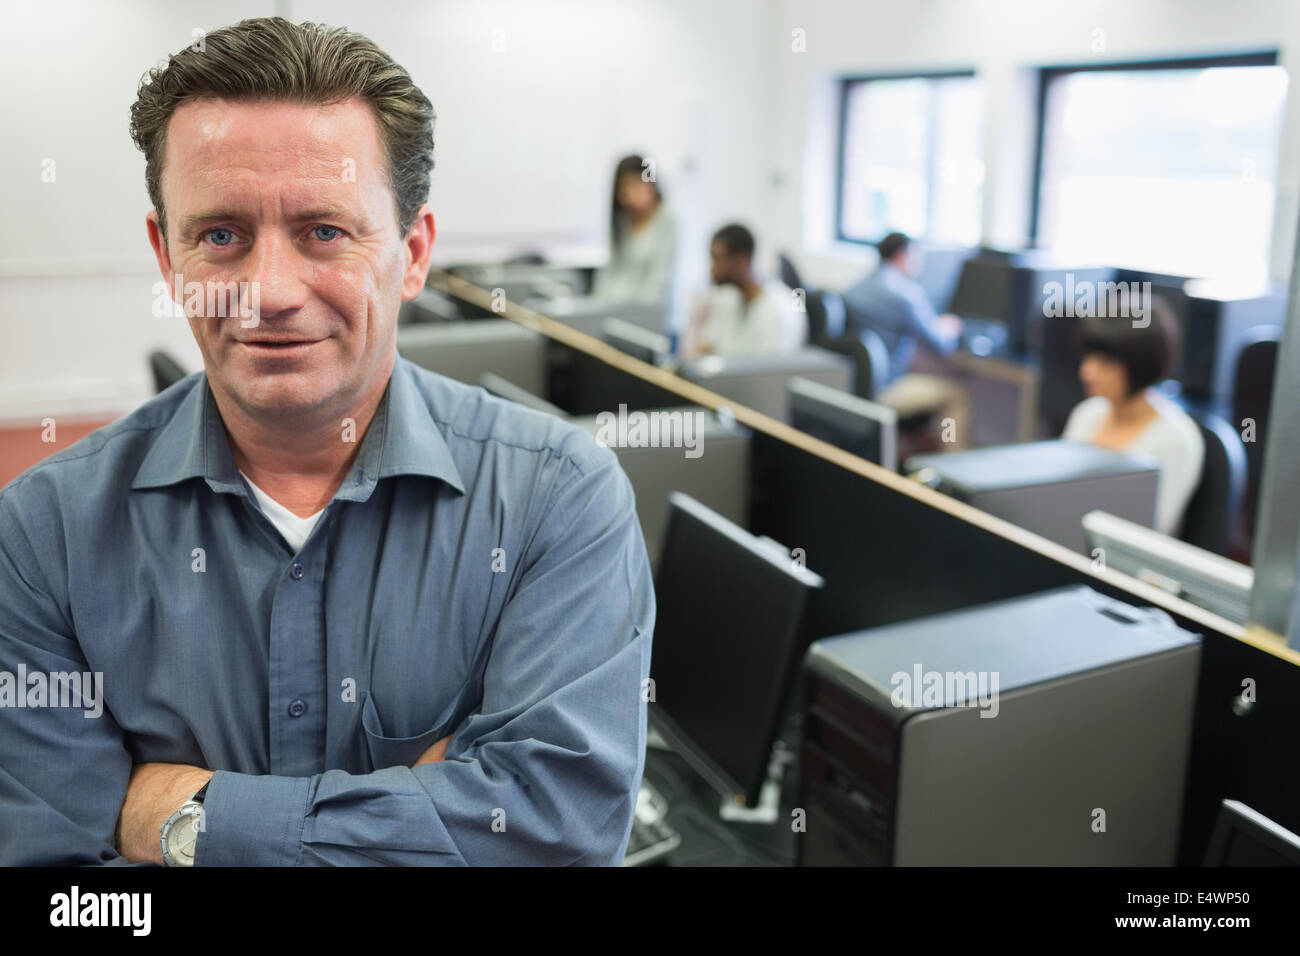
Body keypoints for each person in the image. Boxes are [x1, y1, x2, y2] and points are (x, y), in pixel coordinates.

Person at [0, 17, 654, 867]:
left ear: (412, 253)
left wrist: (177, 818)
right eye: (222, 235)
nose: (269, 292)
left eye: (325, 232)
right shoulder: (41, 535)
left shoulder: (557, 500)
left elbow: (548, 835)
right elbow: (62, 888)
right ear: (168, 256)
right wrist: (427, 809)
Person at [1062, 295, 1204, 536]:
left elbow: (1153, 527)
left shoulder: (1176, 438)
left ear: (1140, 363)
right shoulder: (1087, 414)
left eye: (1105, 362)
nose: (1086, 371)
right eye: (1088, 357)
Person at [841, 232, 969, 445]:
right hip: (886, 389)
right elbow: (940, 344)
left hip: (859, 385)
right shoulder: (905, 294)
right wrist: (950, 327)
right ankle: (953, 468)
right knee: (957, 394)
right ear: (902, 255)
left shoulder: (855, 288)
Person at [681, 223, 805, 359]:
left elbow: (769, 371)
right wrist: (696, 323)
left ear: (741, 260)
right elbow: (703, 351)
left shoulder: (779, 309)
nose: (712, 271)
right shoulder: (727, 299)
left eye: (717, 260)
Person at [589, 154, 678, 313]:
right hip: (614, 311)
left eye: (637, 183)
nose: (630, 192)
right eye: (625, 186)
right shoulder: (622, 219)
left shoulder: (667, 219)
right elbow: (610, 273)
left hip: (649, 315)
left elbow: (659, 281)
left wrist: (630, 311)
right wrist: (599, 308)